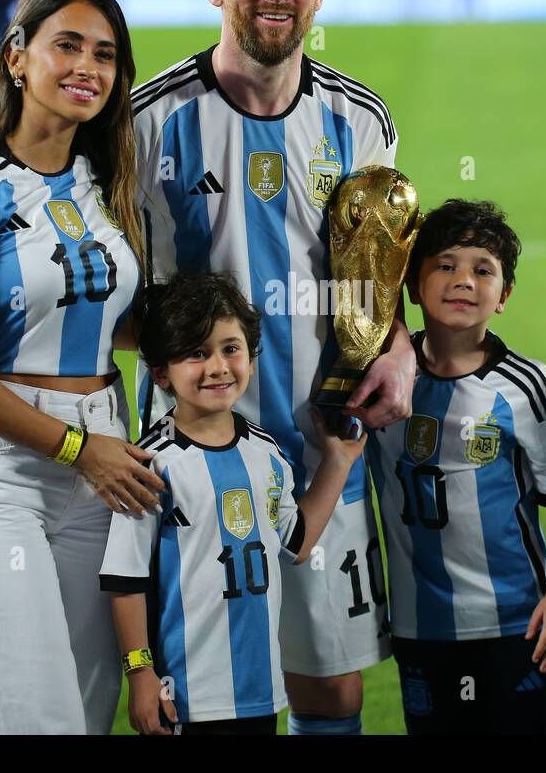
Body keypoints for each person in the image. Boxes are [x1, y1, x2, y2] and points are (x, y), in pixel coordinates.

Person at [132, 0, 413, 735]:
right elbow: (126, 295)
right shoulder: (149, 121)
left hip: (326, 441)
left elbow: (374, 280)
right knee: (204, 692)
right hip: (193, 464)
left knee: (330, 687)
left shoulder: (358, 120)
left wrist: (397, 347)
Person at [0, 0, 163, 734]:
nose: (88, 67)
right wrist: (77, 448)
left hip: (105, 465)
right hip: (5, 477)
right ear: (17, 58)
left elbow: (108, 321)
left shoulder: (108, 179)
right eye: (68, 46)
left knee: (87, 717)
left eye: (106, 54)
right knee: (38, 721)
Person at [102, 273, 366, 735]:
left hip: (259, 688)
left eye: (230, 348)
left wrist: (337, 464)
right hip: (183, 694)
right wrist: (140, 672)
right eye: (196, 353)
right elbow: (127, 579)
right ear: (161, 371)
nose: (218, 367)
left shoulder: (265, 452)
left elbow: (296, 541)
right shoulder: (149, 464)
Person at [365, 200, 546, 734]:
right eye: (444, 265)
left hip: (517, 622)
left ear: (504, 296)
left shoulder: (526, 386)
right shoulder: (381, 381)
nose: (463, 280)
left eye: (482, 270)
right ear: (412, 288)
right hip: (422, 627)